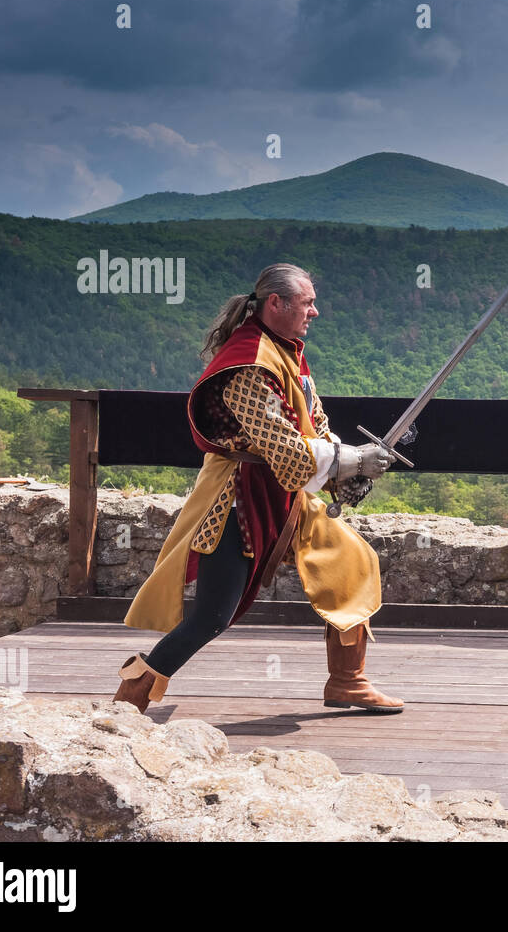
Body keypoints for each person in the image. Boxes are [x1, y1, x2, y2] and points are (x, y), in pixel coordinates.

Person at [112, 263, 404, 715]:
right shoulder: (249, 364)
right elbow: (284, 451)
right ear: (276, 303)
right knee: (212, 615)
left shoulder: (287, 353)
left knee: (354, 561)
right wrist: (352, 460)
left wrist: (348, 467)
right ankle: (131, 697)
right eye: (307, 303)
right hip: (238, 500)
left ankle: (348, 680)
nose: (315, 312)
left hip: (286, 495)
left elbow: (314, 425)